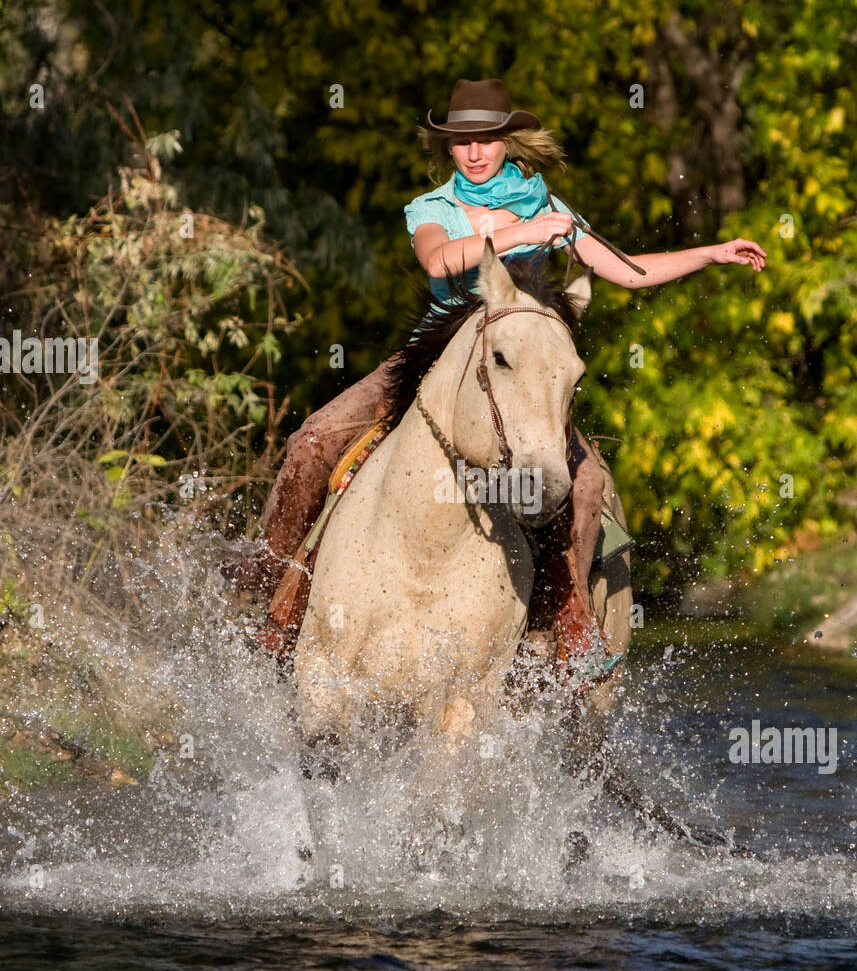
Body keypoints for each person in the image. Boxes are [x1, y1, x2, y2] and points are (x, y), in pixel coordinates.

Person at [223, 78, 766, 673]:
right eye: (462, 142)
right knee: (313, 442)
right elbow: (439, 260)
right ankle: (277, 592)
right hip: (428, 362)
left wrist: (710, 252)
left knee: (584, 487)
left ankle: (567, 622)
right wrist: (523, 233)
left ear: (509, 141)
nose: (475, 153)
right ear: (448, 149)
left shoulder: (551, 208)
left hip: (517, 376)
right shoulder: (435, 209)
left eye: (486, 139)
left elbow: (630, 273)